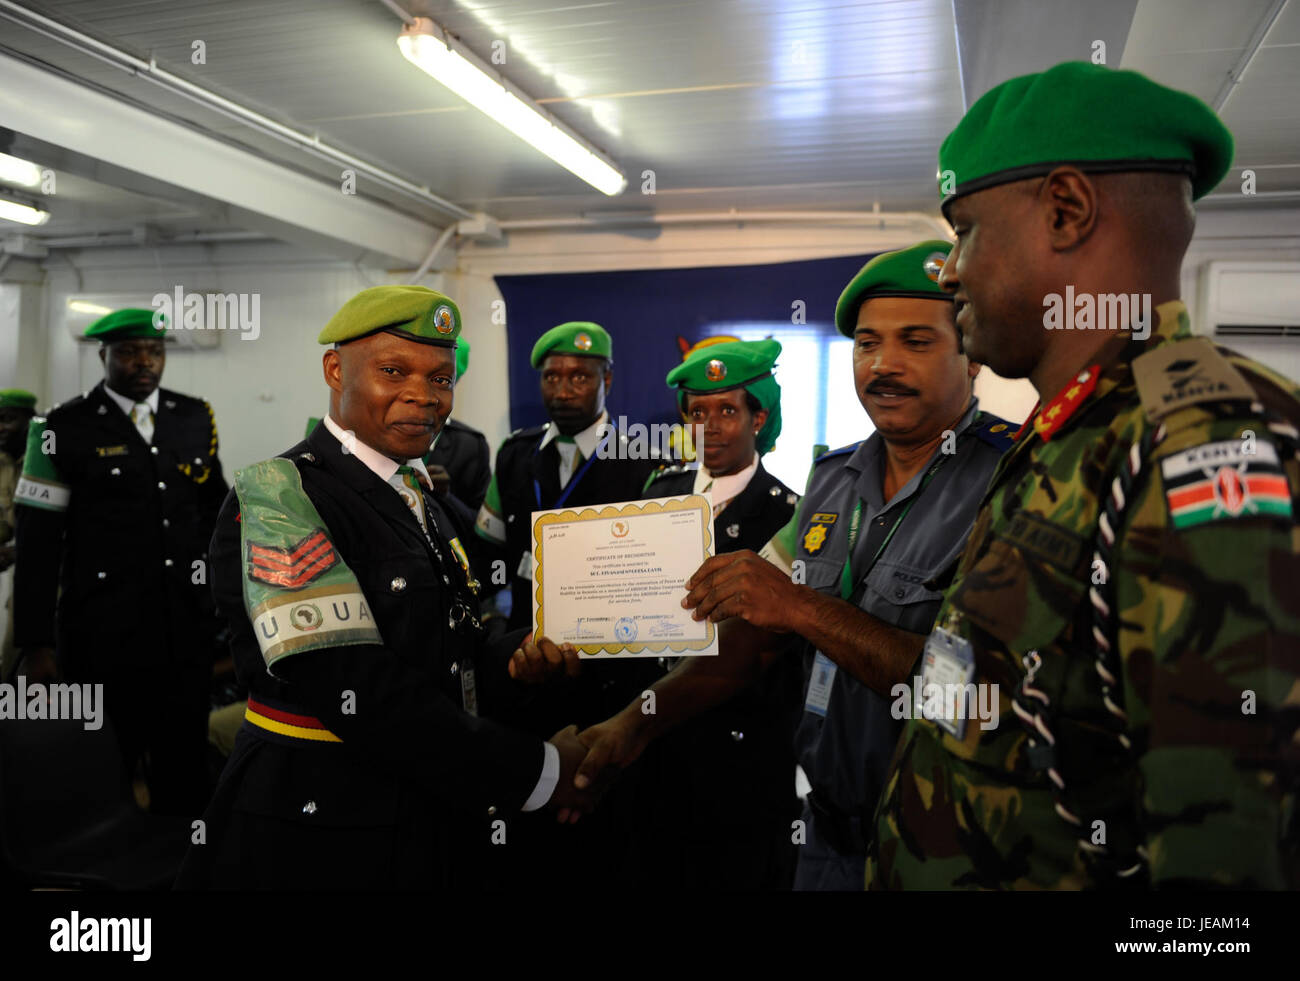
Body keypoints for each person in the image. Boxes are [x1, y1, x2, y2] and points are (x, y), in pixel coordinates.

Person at [863, 61, 1300, 890]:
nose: (948, 270)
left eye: (965, 232)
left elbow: (1226, 869)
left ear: (1065, 211)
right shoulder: (1078, 424)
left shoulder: (1200, 441)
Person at [571, 241, 1016, 889]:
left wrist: (801, 606)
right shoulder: (833, 480)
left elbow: (973, 694)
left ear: (971, 356)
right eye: (867, 344)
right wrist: (633, 723)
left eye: (917, 341)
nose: (884, 364)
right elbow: (754, 640)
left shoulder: (1013, 479)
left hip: (944, 853)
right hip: (828, 836)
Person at [176, 286, 598, 890]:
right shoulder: (280, 497)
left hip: (421, 809)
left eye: (441, 379)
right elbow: (359, 691)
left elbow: (451, 651)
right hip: (317, 824)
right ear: (334, 369)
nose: (423, 396)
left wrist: (518, 661)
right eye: (393, 371)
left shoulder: (424, 497)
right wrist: (542, 771)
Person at [13, 310, 226, 815]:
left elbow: (214, 512)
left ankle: (181, 867)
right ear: (103, 355)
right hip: (103, 629)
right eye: (129, 352)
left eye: (154, 352)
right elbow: (37, 543)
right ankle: (101, 872)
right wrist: (35, 643)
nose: (144, 363)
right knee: (104, 763)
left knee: (184, 766)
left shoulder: (194, 416)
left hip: (183, 628)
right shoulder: (60, 427)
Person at [634, 339, 802, 889]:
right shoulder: (660, 492)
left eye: (728, 410)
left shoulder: (789, 513)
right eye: (698, 411)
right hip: (652, 734)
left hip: (741, 745)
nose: (710, 426)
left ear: (760, 416)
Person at [424, 337, 491, 513]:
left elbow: (481, 528)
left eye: (441, 381)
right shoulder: (371, 436)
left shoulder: (470, 446)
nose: (422, 395)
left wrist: (445, 495)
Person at [0, 388, 38, 681]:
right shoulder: (4, 461)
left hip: (64, 580)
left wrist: (17, 551)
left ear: (30, 420)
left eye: (8, 419)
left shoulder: (49, 456)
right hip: (26, 579)